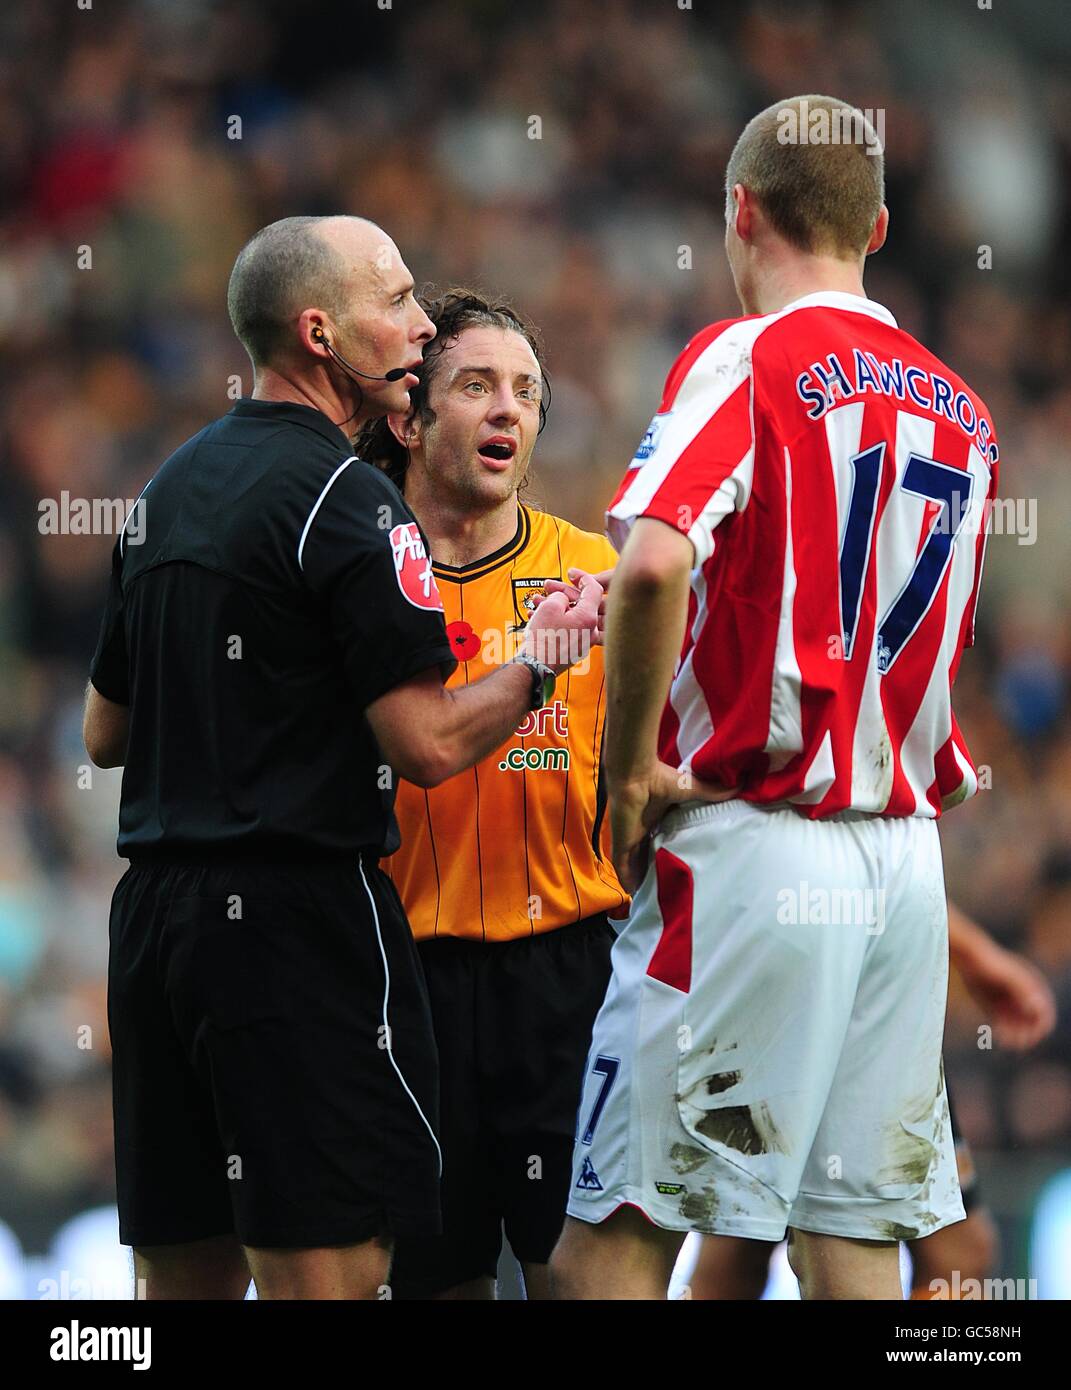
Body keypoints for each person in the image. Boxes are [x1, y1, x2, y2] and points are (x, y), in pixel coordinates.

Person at [83, 215, 601, 1301]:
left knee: (179, 1280)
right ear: (320, 332)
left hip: (155, 933)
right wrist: (541, 660)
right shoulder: (350, 501)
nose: (419, 327)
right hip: (297, 926)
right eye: (397, 302)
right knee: (333, 1270)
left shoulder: (163, 489)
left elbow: (105, 732)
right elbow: (426, 745)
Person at [550, 94, 1001, 1300]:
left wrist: (628, 774)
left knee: (620, 1232)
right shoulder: (965, 408)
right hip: (901, 865)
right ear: (881, 224)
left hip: (754, 847)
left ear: (740, 211)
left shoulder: (751, 356)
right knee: (849, 1242)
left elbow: (652, 557)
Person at [355, 288, 631, 1300]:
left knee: (577, 1277)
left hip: (572, 981)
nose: (508, 408)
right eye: (475, 385)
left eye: (526, 390)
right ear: (409, 418)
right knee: (439, 1281)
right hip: (406, 979)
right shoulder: (362, 577)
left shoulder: (599, 573)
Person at [685, 905, 1057, 1299]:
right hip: (850, 1007)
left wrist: (973, 952)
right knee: (795, 1251)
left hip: (826, 997)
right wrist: (976, 954)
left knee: (742, 1249)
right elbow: (870, 861)